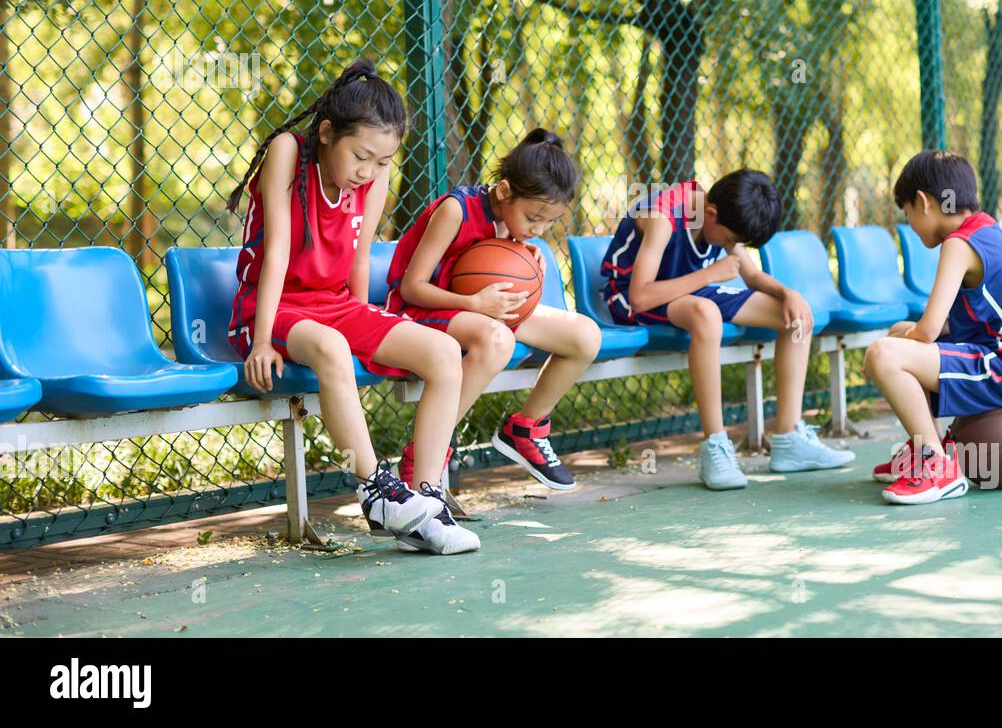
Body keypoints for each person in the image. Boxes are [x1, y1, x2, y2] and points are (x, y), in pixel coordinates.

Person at [227, 59, 479, 554]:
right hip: (272, 307)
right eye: (361, 156)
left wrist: (367, 328)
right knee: (331, 342)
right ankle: (374, 491)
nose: (369, 171)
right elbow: (277, 248)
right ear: (326, 133)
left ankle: (425, 504)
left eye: (382, 162)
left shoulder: (371, 178)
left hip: (336, 307)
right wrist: (259, 339)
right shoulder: (288, 151)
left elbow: (360, 256)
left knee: (445, 353)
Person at [601, 171, 854, 490]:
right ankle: (715, 446)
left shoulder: (720, 211)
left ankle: (788, 437)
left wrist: (789, 294)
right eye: (731, 240)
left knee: (796, 315)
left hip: (685, 291)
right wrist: (709, 275)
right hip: (630, 297)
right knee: (706, 314)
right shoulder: (663, 216)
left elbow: (751, 275)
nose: (732, 247)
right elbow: (640, 297)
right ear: (710, 213)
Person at [386, 128, 601, 492]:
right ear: (504, 191)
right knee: (497, 339)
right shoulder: (456, 210)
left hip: (479, 314)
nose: (539, 229)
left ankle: (525, 429)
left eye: (549, 222)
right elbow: (412, 287)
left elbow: (492, 269)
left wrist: (524, 262)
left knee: (585, 336)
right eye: (534, 218)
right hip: (420, 311)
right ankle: (423, 457)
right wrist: (473, 303)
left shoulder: (511, 223)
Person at [863, 150, 1002, 505]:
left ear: (922, 202)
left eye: (907, 215)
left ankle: (935, 465)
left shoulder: (958, 244)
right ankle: (928, 448)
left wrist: (881, 357)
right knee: (895, 335)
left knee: (884, 354)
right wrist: (902, 337)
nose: (911, 225)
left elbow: (928, 331)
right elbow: (963, 321)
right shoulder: (984, 229)